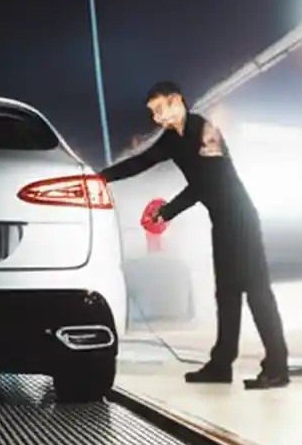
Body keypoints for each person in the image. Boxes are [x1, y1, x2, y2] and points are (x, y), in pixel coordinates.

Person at [100, 81, 289, 390]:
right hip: (223, 223)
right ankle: (221, 364)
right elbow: (141, 162)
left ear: (177, 101)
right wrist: (102, 177)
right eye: (153, 113)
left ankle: (277, 366)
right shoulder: (171, 139)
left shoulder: (205, 130)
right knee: (226, 295)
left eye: (160, 109)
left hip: (241, 220)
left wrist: (169, 211)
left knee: (257, 294)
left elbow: (208, 182)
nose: (158, 118)